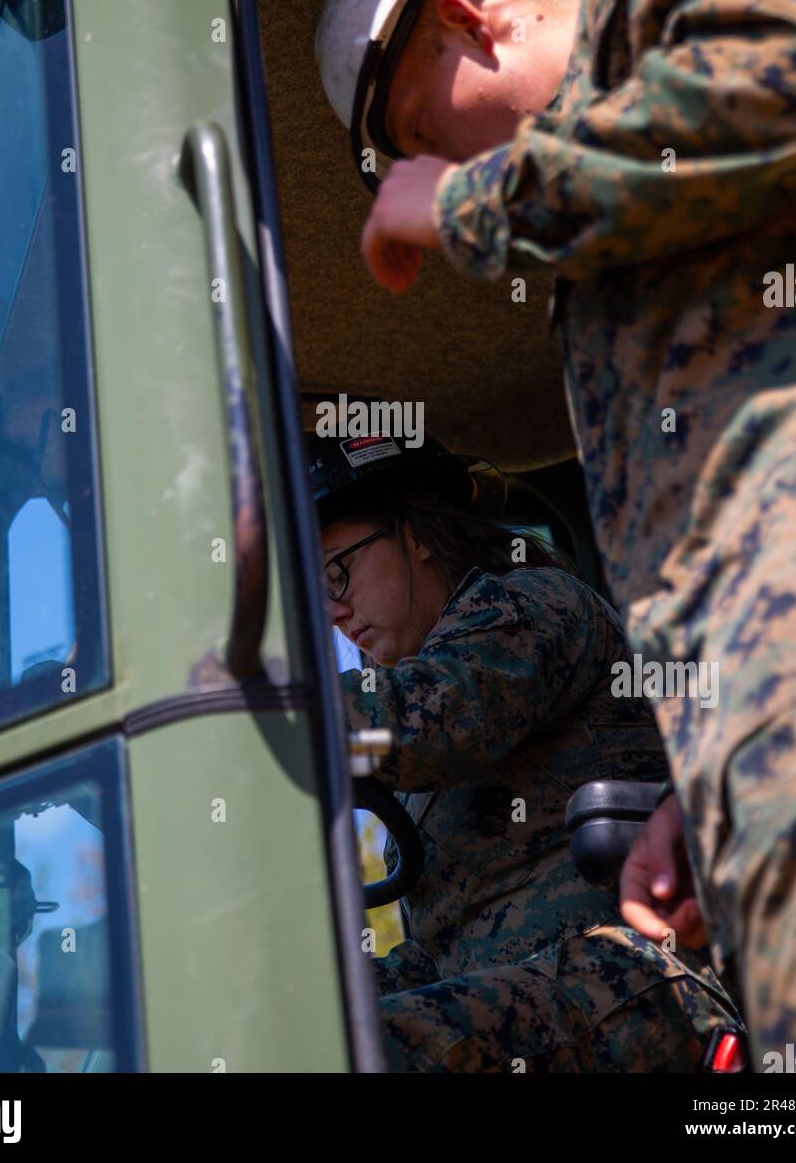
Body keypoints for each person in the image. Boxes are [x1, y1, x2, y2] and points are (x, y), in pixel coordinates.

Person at [314, 0, 796, 1062]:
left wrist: (466, 199)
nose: (432, 169)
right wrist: (699, 792)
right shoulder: (608, 288)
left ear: (469, 24)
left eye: (422, 128)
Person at [309, 428, 740, 1072]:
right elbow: (442, 950)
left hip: (626, 985)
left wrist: (262, 712)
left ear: (416, 534)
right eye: (317, 594)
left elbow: (428, 715)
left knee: (354, 1052)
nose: (335, 611)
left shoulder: (529, 607)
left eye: (337, 570)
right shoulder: (415, 772)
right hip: (530, 1008)